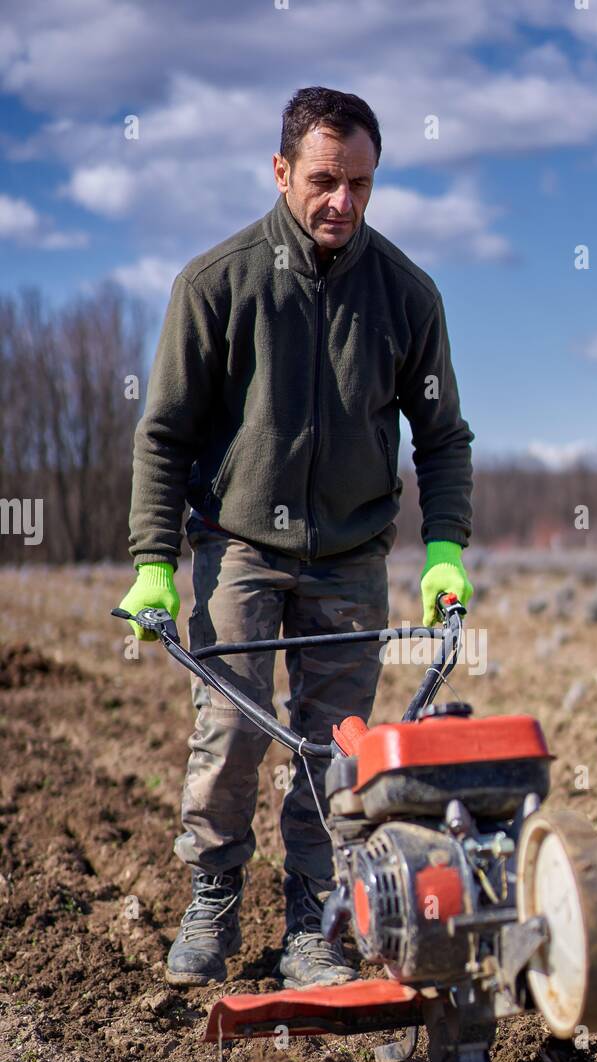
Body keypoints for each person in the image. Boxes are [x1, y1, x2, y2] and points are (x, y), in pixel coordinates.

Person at [118, 86, 474, 989]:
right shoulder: (216, 283)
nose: (342, 202)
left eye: (360, 183)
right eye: (324, 180)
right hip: (239, 547)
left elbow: (442, 439)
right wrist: (154, 563)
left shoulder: (407, 295)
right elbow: (163, 434)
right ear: (282, 172)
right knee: (233, 730)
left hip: (353, 557)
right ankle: (213, 900)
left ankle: (315, 923)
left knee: (340, 747)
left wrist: (444, 552)